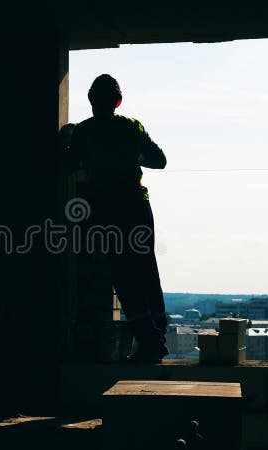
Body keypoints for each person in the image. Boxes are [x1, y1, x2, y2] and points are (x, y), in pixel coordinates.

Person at [65, 74, 169, 363]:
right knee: (147, 270)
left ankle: (148, 341)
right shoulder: (132, 127)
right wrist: (131, 155)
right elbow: (159, 160)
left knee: (124, 276)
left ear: (90, 101)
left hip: (109, 211)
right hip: (138, 208)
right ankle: (157, 336)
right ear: (118, 101)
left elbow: (67, 167)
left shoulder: (83, 132)